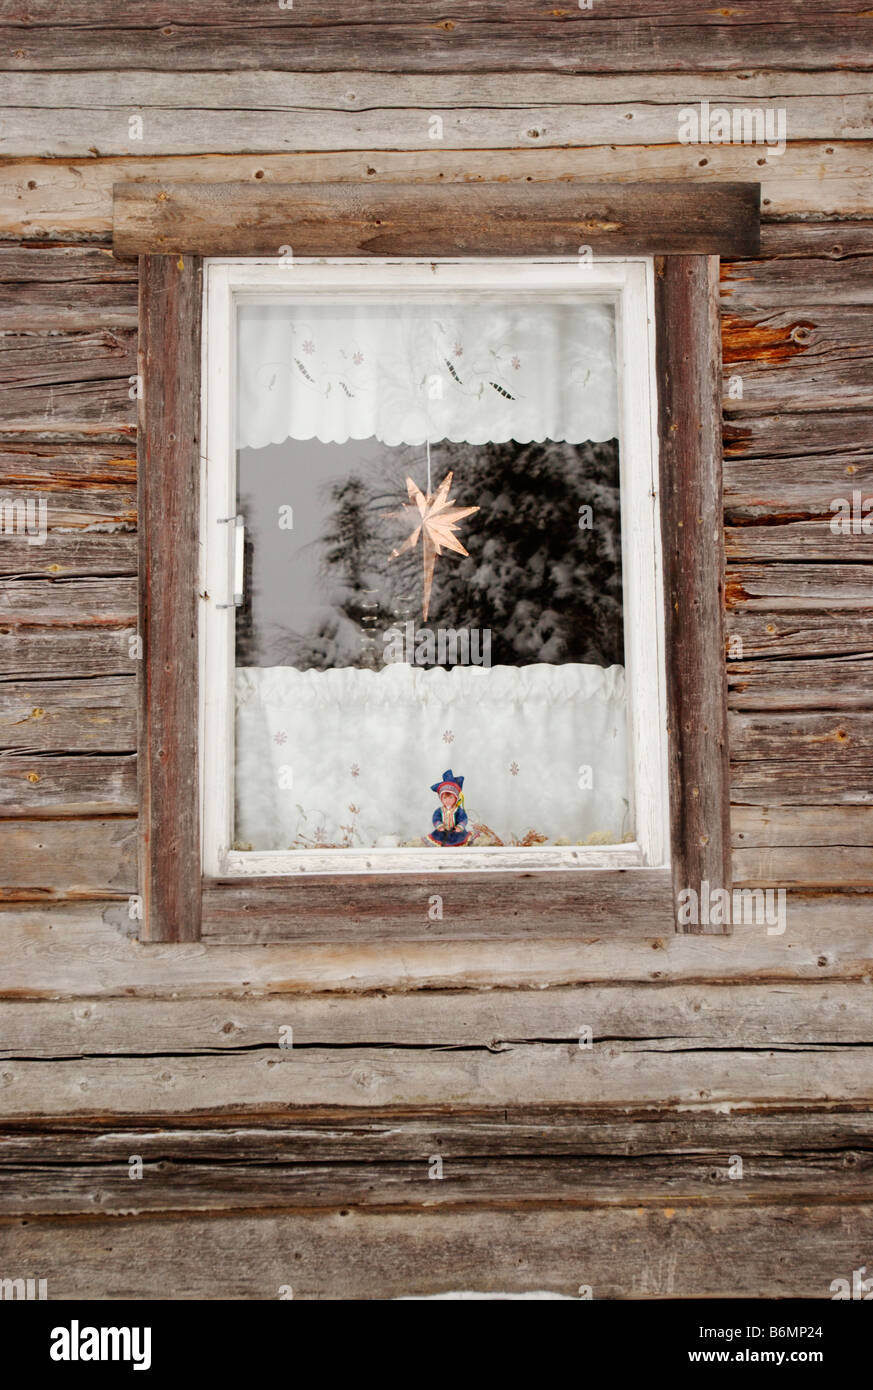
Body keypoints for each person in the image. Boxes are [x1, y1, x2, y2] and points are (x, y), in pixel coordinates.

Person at [428, 770, 472, 846]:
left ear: (456, 798)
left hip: (456, 832)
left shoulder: (458, 810)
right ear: (441, 799)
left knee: (460, 840)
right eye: (445, 798)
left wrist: (459, 827)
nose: (447, 801)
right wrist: (440, 826)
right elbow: (436, 818)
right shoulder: (440, 811)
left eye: (450, 798)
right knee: (439, 839)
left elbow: (463, 819)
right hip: (442, 832)